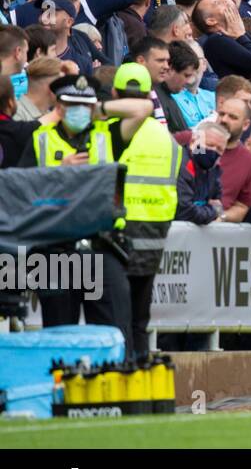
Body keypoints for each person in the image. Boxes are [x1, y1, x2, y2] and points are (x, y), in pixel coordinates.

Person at [20, 73, 155, 358]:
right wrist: (59, 172)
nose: (79, 111)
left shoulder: (107, 135)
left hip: (102, 247)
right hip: (55, 251)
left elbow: (143, 109)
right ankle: (61, 398)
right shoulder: (39, 139)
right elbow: (23, 194)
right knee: (59, 335)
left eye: (85, 105)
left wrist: (100, 109)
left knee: (115, 332)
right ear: (59, 105)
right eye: (72, 104)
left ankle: (119, 396)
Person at [110, 62, 183, 362]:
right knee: (141, 318)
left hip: (119, 234)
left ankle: (121, 379)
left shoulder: (112, 130)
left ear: (115, 93)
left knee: (119, 317)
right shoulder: (167, 138)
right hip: (155, 234)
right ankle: (141, 379)